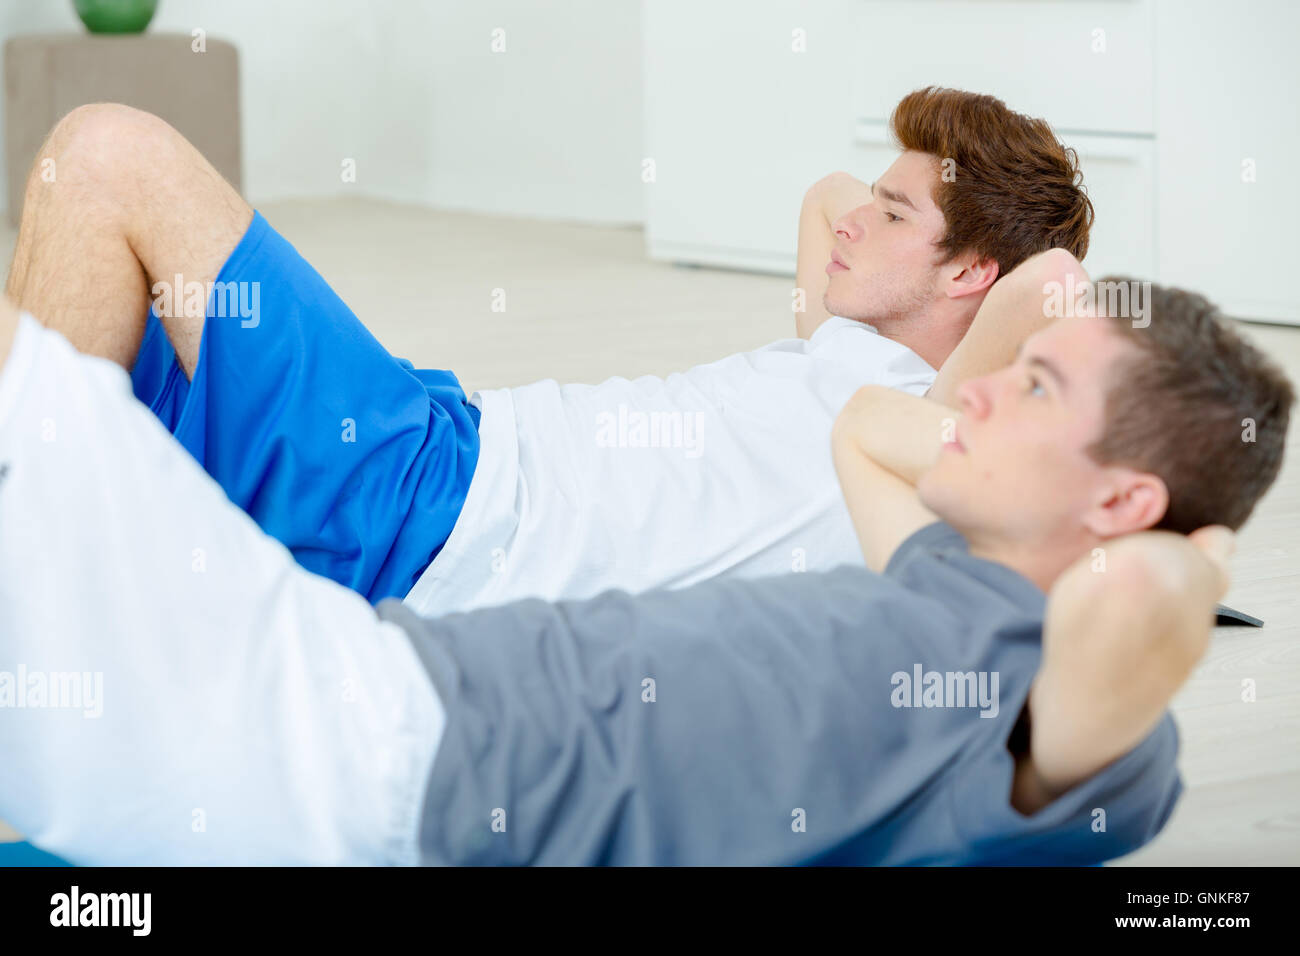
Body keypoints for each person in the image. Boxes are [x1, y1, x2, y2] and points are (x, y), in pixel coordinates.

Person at [0, 273, 1288, 864]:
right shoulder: (944, 588)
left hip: (356, 758)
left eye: (1039, 385)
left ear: (1126, 499)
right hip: (349, 685)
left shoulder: (1056, 726)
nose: (986, 388)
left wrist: (1190, 538)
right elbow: (865, 430)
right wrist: (1016, 413)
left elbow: (1147, 608)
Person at [2, 87, 1092, 615]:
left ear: (968, 280)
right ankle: (48, 541)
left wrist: (989, 230)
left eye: (893, 216)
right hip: (431, 438)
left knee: (107, 155)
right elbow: (825, 198)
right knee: (49, 306)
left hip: (423, 510)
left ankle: (37, 572)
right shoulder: (843, 345)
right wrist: (921, 194)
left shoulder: (921, 436)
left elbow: (1050, 285)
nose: (854, 220)